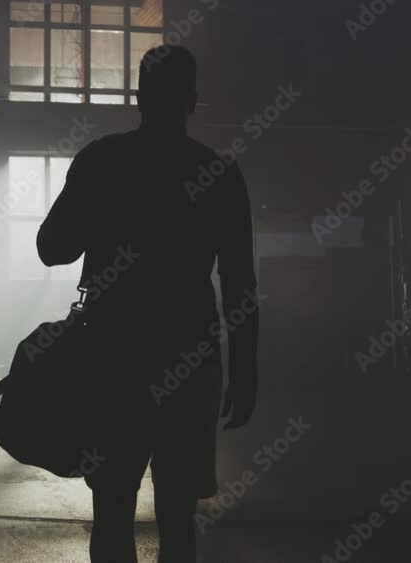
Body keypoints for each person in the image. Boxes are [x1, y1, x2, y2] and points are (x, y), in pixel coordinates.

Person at [36, 45, 260, 563]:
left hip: (110, 360)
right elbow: (239, 283)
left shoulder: (101, 160)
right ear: (193, 101)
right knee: (178, 517)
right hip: (190, 358)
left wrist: (103, 211)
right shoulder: (218, 173)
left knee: (112, 508)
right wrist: (244, 371)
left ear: (138, 97)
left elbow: (53, 249)